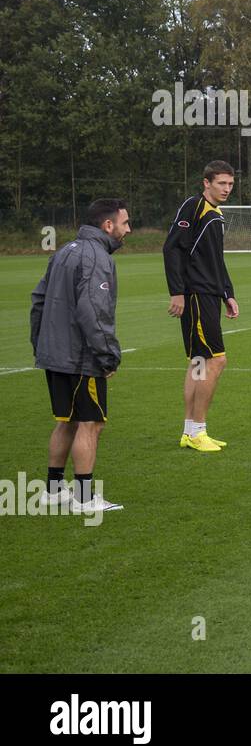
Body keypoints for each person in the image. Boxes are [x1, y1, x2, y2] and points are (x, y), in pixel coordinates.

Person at [30, 198, 131, 514]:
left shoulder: (64, 251)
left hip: (56, 354)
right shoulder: (95, 256)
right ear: (108, 225)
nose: (129, 229)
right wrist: (108, 355)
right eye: (125, 223)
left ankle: (53, 490)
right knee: (90, 423)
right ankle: (85, 498)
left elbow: (38, 302)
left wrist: (42, 346)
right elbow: (93, 311)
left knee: (66, 422)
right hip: (80, 357)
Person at [163, 160, 238, 453]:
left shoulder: (216, 213)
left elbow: (216, 261)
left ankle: (189, 431)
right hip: (195, 296)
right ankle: (198, 430)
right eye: (222, 183)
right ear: (206, 183)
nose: (227, 189)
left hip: (209, 294)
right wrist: (177, 292)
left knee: (197, 362)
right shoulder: (193, 206)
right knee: (216, 360)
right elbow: (172, 248)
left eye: (230, 184)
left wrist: (227, 293)